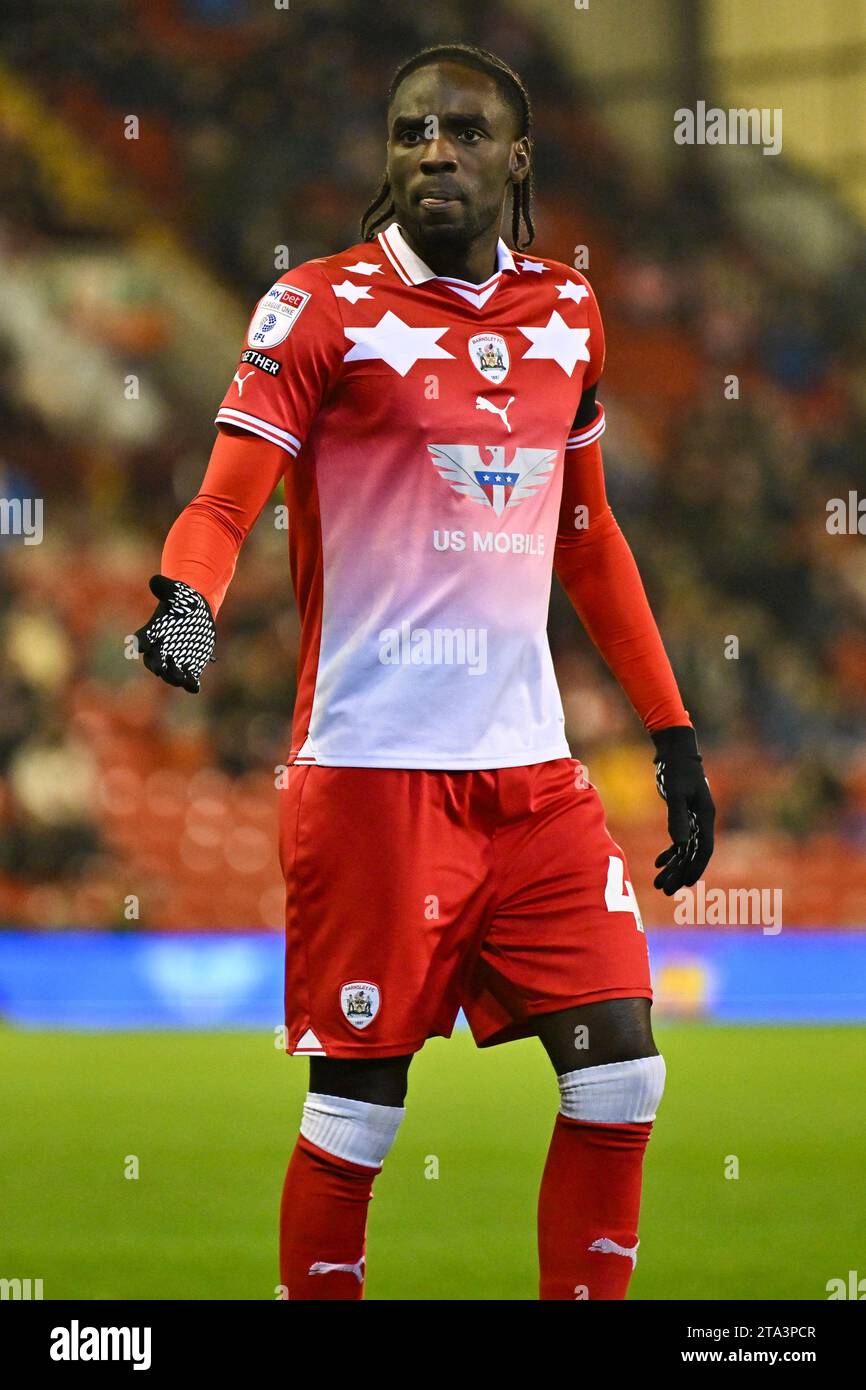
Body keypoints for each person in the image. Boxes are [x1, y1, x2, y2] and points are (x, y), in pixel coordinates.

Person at [133, 42, 715, 1301]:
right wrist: (188, 602)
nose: (430, 153)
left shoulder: (569, 310)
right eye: (407, 134)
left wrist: (670, 737)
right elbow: (225, 503)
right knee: (358, 1111)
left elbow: (586, 535)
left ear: (516, 158)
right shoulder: (318, 309)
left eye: (458, 132)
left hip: (533, 780)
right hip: (372, 777)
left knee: (622, 1069)